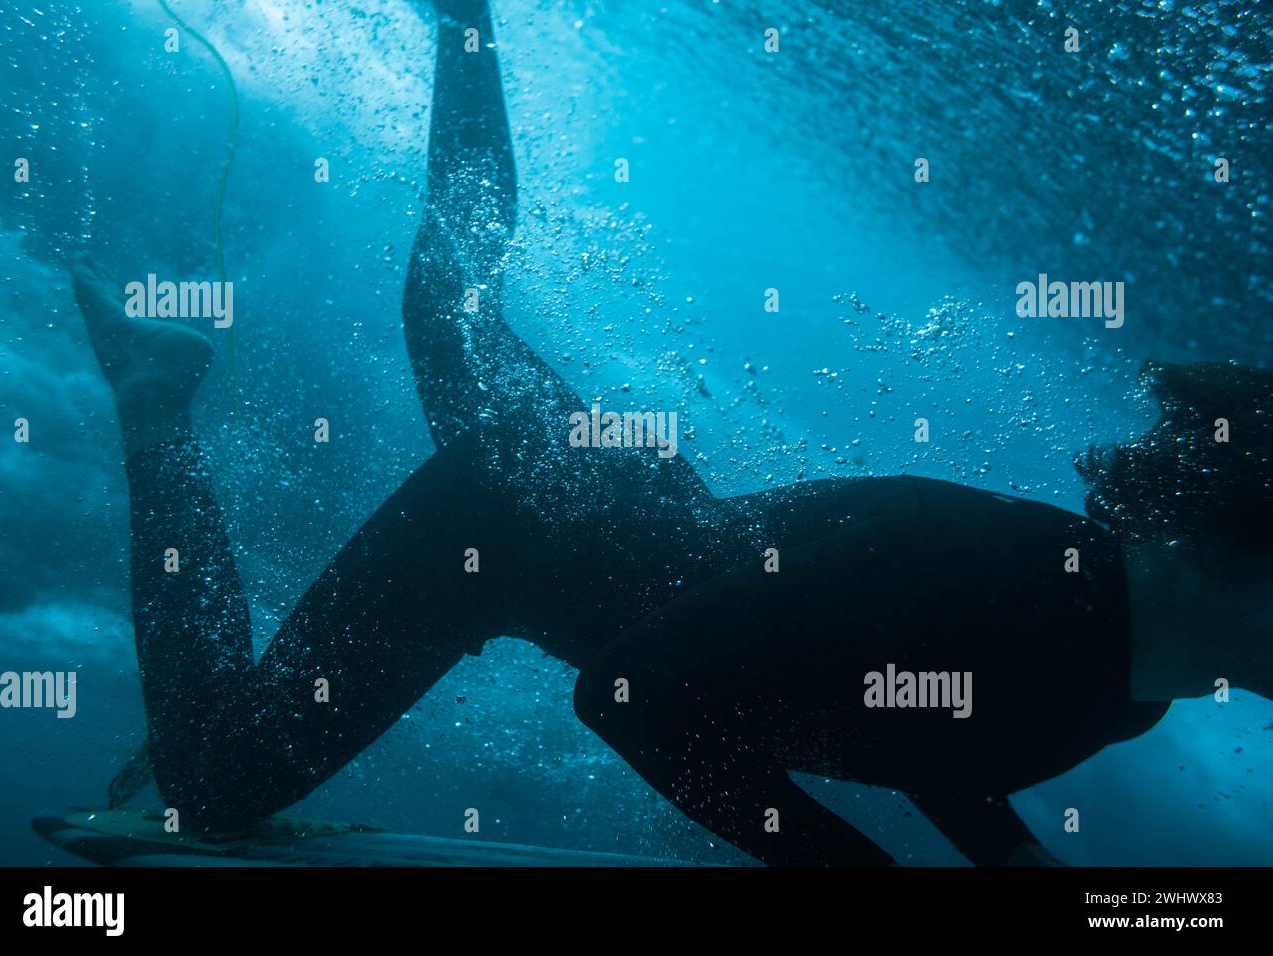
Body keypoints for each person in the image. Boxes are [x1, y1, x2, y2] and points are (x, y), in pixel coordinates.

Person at [74, 0, 1272, 866]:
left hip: (606, 490)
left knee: (449, 305)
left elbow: (924, 714)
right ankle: (156, 405)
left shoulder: (1129, 687)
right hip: (516, 518)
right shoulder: (1004, 578)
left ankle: (465, 22)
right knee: (211, 780)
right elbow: (633, 691)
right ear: (1235, 540)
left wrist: (1006, 854)